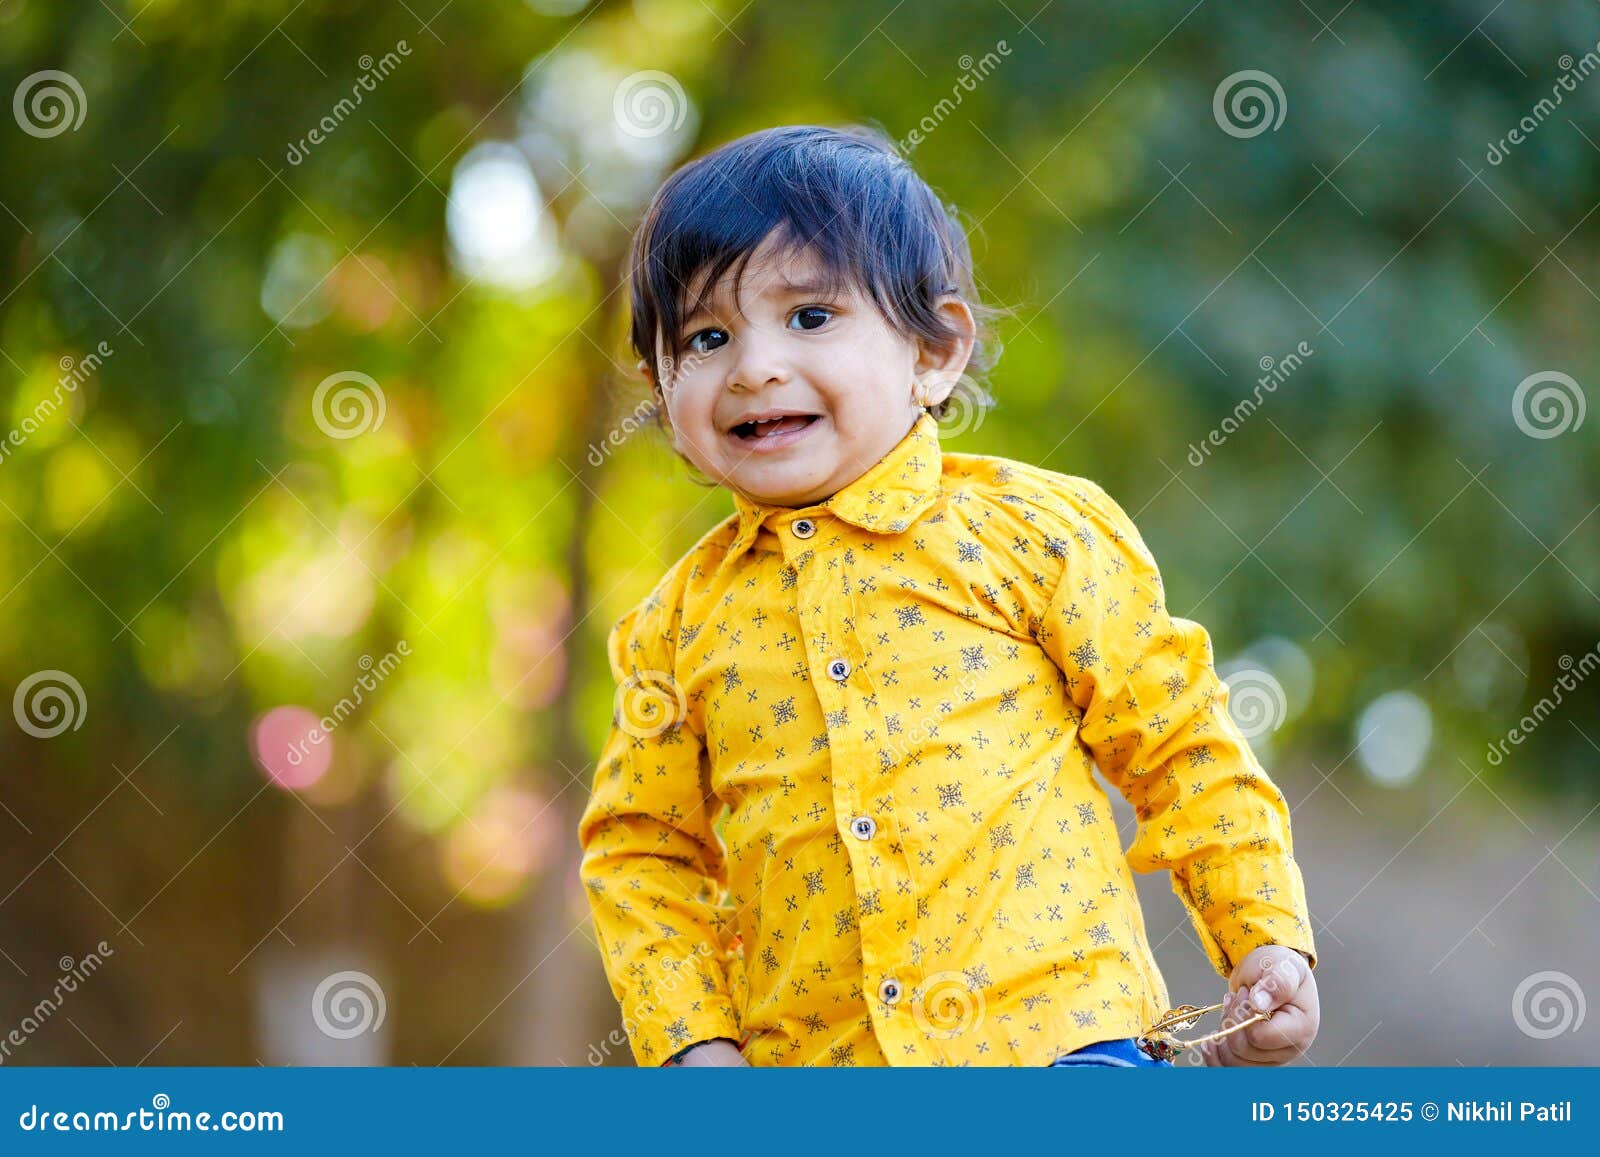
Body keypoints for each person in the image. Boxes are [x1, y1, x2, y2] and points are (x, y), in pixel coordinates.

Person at [577, 123, 1320, 1068]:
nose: (754, 365)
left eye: (809, 317)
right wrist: (696, 1044)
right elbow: (642, 850)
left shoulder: (1033, 533)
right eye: (707, 336)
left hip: (1066, 1049)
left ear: (934, 351)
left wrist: (1262, 931)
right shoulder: (676, 626)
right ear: (661, 394)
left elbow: (1177, 739)